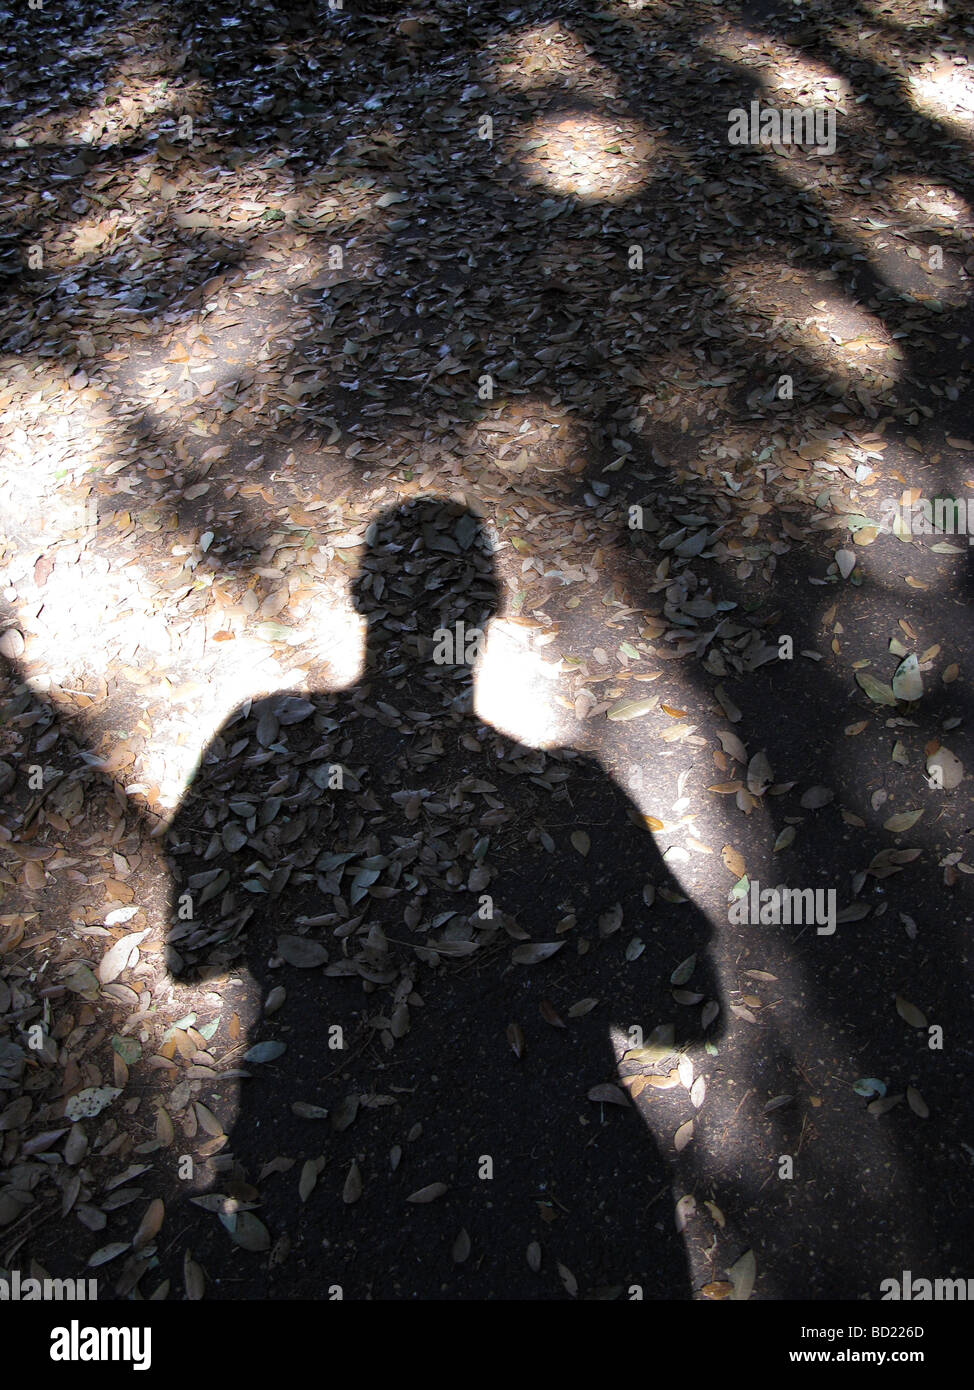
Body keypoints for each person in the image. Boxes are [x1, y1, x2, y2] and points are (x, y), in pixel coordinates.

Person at [164, 498, 720, 1299]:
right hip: (543, 1177)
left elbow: (193, 953)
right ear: (491, 607)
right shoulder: (571, 789)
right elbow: (689, 1013)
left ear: (360, 597)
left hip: (298, 1153)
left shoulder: (256, 737)